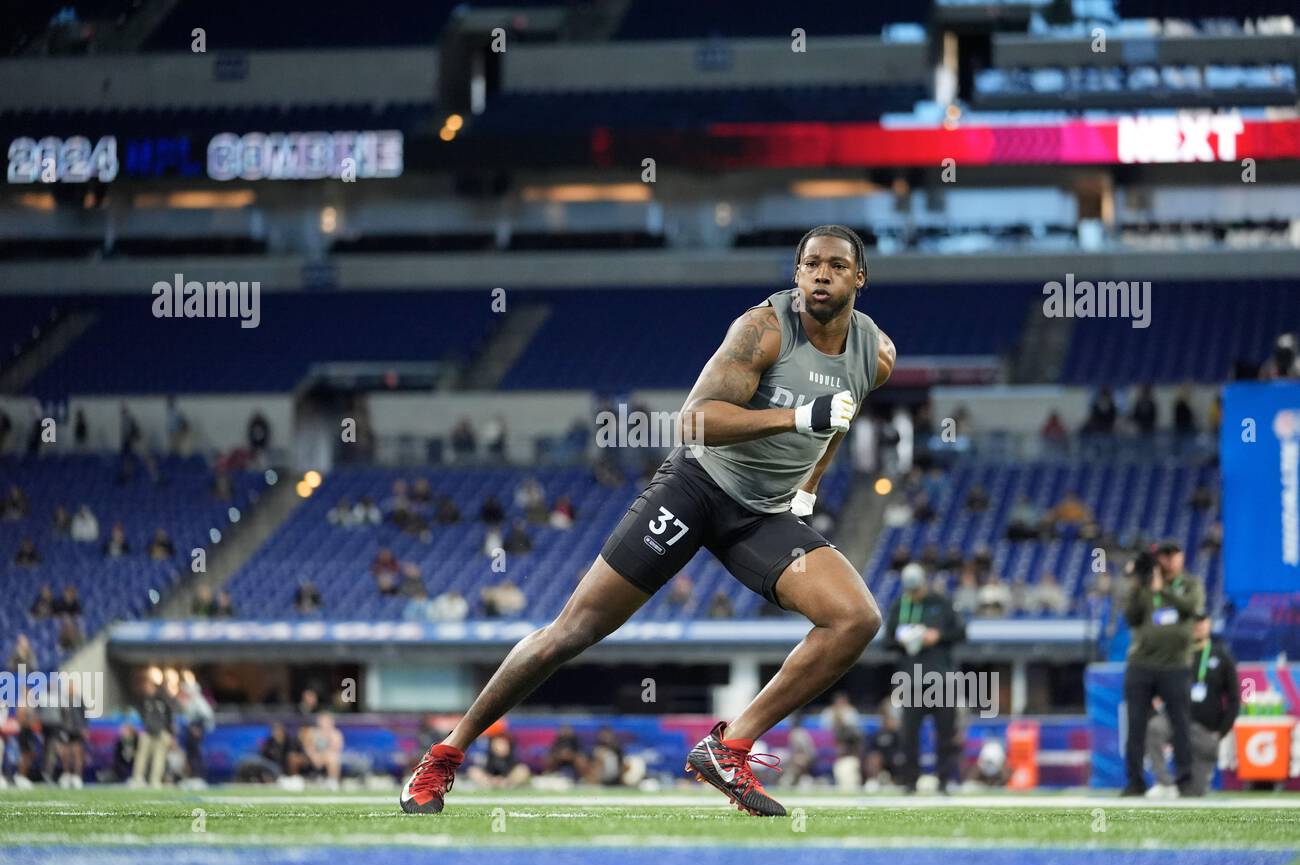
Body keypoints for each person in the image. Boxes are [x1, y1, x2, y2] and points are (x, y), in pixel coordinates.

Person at [401, 225, 894, 817]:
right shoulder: (761, 330)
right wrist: (795, 418)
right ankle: (444, 756)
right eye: (810, 264)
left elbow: (841, 411)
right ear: (794, 275)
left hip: (761, 514)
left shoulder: (876, 355)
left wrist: (808, 487)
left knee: (855, 619)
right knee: (572, 632)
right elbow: (693, 420)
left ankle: (727, 746)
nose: (821, 274)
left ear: (858, 278)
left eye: (836, 266)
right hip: (696, 488)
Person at [1121, 542, 1206, 797]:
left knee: (1180, 723)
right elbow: (1131, 617)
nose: (1168, 560)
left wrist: (1164, 592)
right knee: (1135, 724)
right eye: (1163, 555)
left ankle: (1184, 780)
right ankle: (1135, 781)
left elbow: (1193, 609)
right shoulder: (1145, 586)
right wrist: (1138, 583)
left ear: (1181, 557)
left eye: (1172, 554)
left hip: (1175, 665)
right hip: (1141, 665)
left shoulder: (1191, 584)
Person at [882, 562, 967, 794]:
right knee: (908, 735)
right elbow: (886, 641)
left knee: (945, 734)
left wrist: (937, 636)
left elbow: (961, 633)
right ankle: (910, 782)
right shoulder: (900, 605)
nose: (914, 594)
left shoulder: (941, 603)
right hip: (911, 680)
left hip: (941, 679)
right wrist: (903, 640)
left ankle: (944, 781)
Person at [1144, 625, 1238, 797]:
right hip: (1175, 721)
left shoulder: (1222, 656)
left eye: (1202, 622)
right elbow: (1154, 689)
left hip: (1203, 731)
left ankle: (1191, 783)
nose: (1197, 626)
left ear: (1209, 624)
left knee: (1193, 793)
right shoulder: (1175, 655)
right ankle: (1164, 782)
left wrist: (1220, 733)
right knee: (1155, 726)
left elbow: (1234, 700)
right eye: (1193, 622)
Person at [133, 668, 174, 788]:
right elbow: (142, 715)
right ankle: (138, 778)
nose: (146, 688)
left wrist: (169, 732)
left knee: (159, 757)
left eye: (148, 686)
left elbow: (169, 716)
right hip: (148, 731)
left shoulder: (163, 698)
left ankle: (155, 780)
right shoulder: (144, 699)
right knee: (141, 755)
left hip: (161, 731)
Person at [301, 712, 344, 789]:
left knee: (333, 759)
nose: (324, 723)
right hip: (312, 758)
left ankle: (332, 782)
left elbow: (336, 749)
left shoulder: (335, 733)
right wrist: (313, 755)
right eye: (322, 721)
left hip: (327, 757)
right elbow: (307, 746)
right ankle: (295, 779)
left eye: (326, 721)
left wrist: (323, 756)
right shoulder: (312, 732)